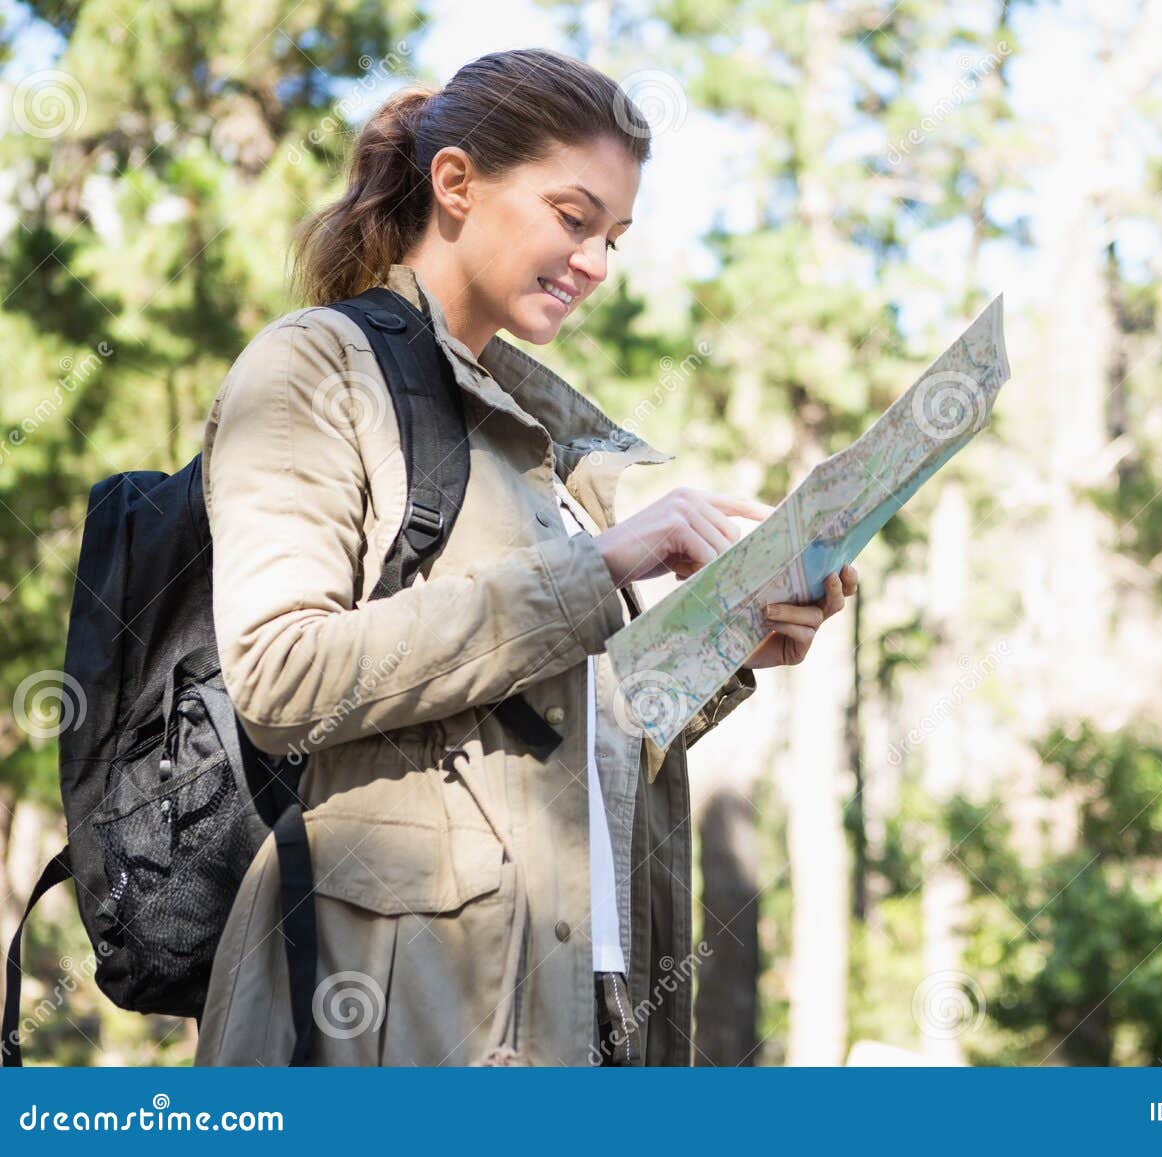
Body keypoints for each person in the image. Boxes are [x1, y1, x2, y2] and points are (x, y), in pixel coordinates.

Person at [194, 47, 857, 1067]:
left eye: (615, 236)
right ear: (456, 183)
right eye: (572, 216)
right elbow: (282, 678)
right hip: (393, 1022)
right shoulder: (311, 365)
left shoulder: (544, 449)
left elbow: (547, 737)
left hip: (580, 1011)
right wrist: (605, 567)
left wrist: (736, 637)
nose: (594, 260)